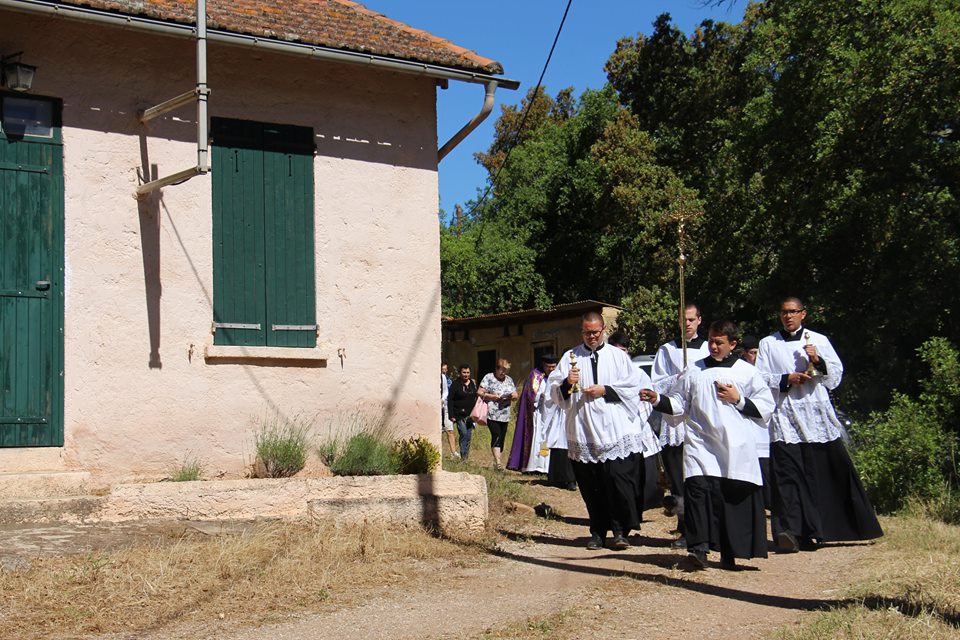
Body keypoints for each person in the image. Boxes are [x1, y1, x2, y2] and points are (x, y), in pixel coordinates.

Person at [641, 320, 774, 570]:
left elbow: (766, 408)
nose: (713, 346)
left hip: (733, 446)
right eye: (711, 340)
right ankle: (698, 550)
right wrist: (658, 399)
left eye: (719, 342)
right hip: (700, 445)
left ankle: (729, 553)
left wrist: (739, 400)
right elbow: (680, 404)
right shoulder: (694, 371)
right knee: (698, 495)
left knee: (727, 499)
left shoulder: (746, 372)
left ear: (732, 344)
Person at [756, 297, 882, 552]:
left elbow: (835, 376)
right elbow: (759, 377)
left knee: (823, 473)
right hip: (786, 415)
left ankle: (830, 528)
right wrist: (786, 378)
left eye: (793, 312)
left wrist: (818, 361)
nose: (788, 317)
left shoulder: (818, 340)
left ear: (804, 314)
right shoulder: (768, 344)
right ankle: (789, 532)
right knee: (787, 476)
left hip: (815, 415)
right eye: (784, 312)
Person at [548, 312, 644, 551]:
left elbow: (632, 388)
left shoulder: (617, 357)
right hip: (583, 429)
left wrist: (606, 389)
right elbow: (552, 391)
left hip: (612, 429)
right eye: (587, 332)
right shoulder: (570, 357)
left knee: (615, 482)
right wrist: (567, 383)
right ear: (582, 332)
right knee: (591, 486)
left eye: (596, 332)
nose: (591, 336)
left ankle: (620, 530)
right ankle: (598, 532)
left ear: (603, 331)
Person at [651, 302, 711, 545]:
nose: (686, 323)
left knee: (700, 476)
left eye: (690, 319)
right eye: (682, 320)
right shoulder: (667, 350)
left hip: (701, 421)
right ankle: (685, 527)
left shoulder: (709, 348)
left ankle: (705, 526)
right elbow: (656, 384)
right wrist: (678, 378)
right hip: (675, 423)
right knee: (678, 477)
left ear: (699, 320)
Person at [607, 331, 662, 521]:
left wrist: (635, 416)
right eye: (615, 351)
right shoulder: (606, 375)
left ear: (627, 351)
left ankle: (636, 512)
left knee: (640, 477)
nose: (620, 355)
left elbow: (648, 398)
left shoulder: (638, 374)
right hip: (613, 430)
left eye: (623, 350)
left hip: (637, 427)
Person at [507, 355, 556, 473]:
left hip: (552, 415)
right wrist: (541, 396)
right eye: (549, 367)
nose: (551, 370)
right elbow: (530, 396)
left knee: (549, 440)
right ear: (543, 365)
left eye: (553, 367)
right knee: (538, 439)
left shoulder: (556, 375)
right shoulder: (536, 375)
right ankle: (535, 466)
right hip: (538, 415)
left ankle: (546, 466)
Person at [478, 359, 518, 470]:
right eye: (502, 370)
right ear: (497, 369)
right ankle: (498, 462)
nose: (504, 373)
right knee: (496, 435)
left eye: (506, 371)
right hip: (492, 413)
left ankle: (497, 462)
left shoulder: (509, 380)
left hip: (505, 414)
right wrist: (492, 396)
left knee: (502, 438)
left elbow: (515, 394)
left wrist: (513, 396)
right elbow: (479, 392)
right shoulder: (488, 377)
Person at [447, 364, 478, 461]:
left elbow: (476, 398)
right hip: (459, 414)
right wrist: (451, 415)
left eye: (468, 372)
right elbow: (450, 400)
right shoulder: (455, 384)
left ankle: (465, 458)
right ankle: (463, 456)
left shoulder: (472, 383)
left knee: (468, 436)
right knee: (463, 433)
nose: (466, 374)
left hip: (470, 415)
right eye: (464, 372)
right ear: (460, 373)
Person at [440, 363, 459, 459]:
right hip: (437, 408)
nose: (443, 371)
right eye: (442, 369)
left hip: (446, 406)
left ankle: (453, 452)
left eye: (445, 369)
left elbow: (448, 393)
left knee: (450, 430)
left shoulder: (448, 380)